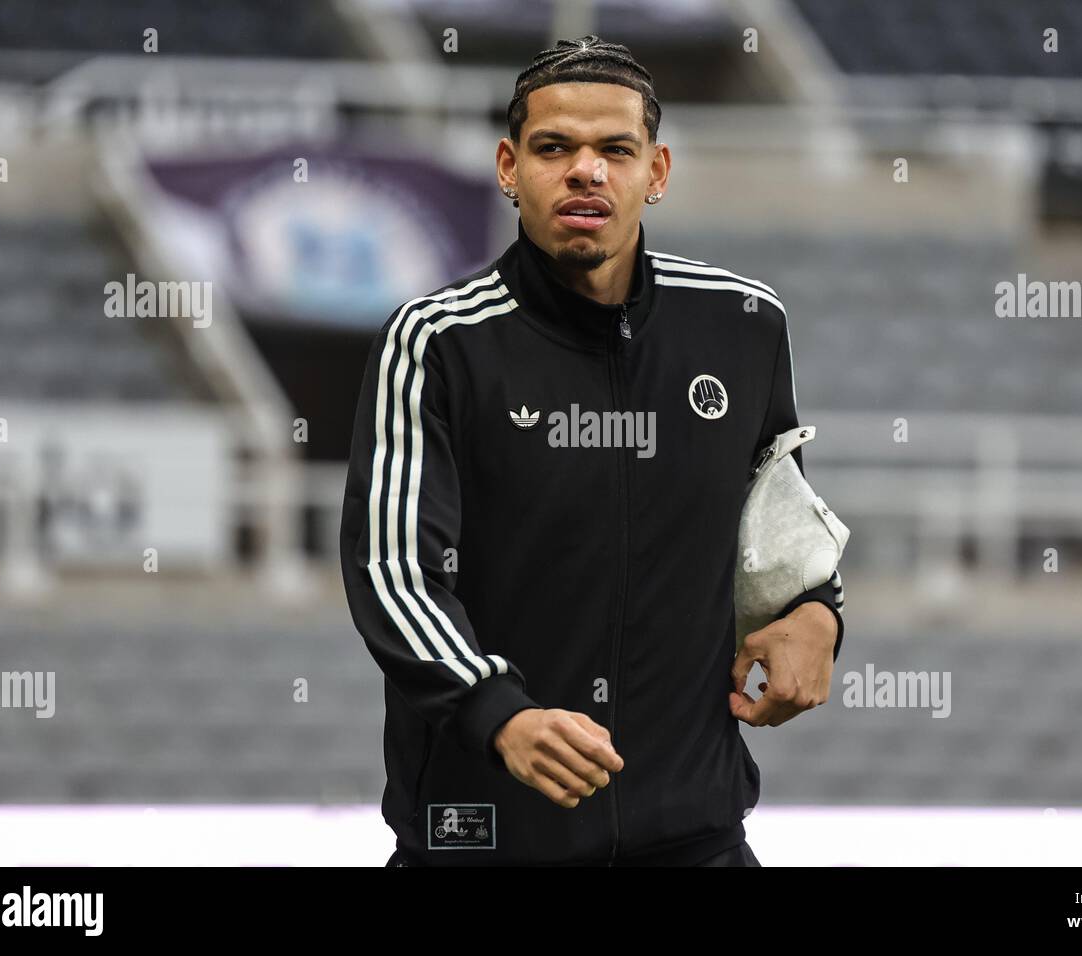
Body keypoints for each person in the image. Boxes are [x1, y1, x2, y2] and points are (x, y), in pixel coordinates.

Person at [340, 34, 846, 867]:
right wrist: (498, 712)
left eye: (616, 149)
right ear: (509, 168)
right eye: (554, 148)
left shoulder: (746, 325)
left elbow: (783, 536)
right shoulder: (434, 343)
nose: (586, 171)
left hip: (697, 840)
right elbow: (392, 573)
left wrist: (817, 614)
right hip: (484, 844)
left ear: (657, 171)